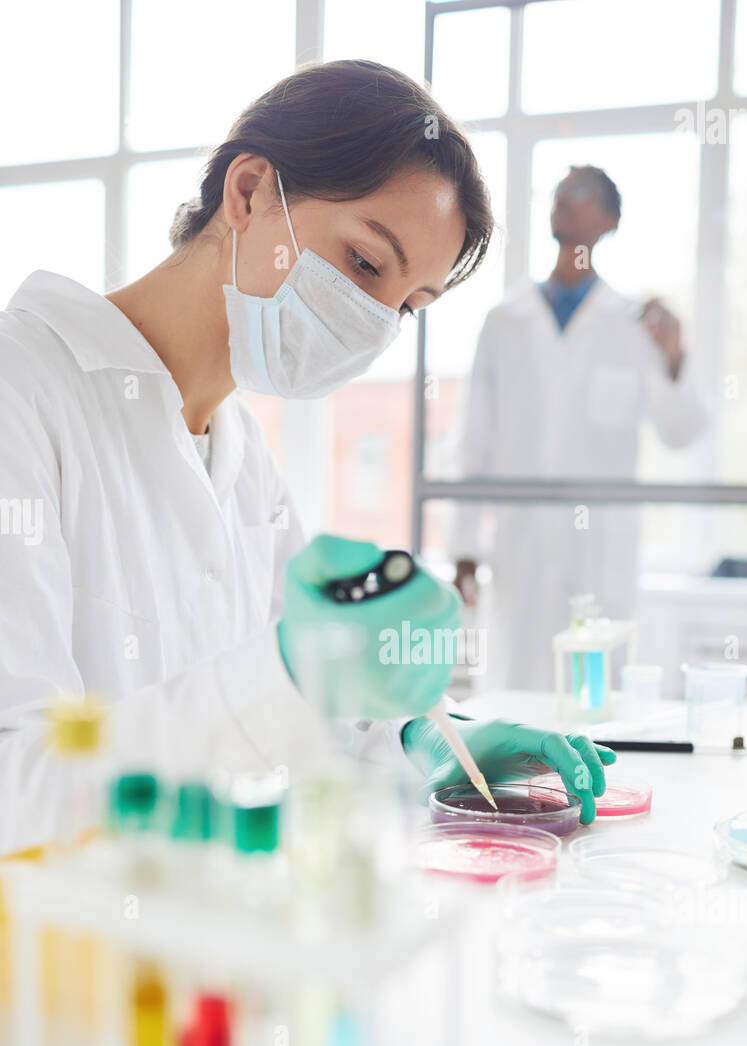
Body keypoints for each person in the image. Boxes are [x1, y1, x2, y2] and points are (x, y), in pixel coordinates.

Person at [0, 62, 613, 854]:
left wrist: (413, 739)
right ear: (250, 191)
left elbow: (305, 720)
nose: (371, 321)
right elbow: (18, 788)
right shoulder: (22, 389)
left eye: (404, 306)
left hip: (210, 932)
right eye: (364, 264)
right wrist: (297, 666)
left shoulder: (239, 450)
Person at [453, 164, 709, 690]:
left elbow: (681, 433)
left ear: (609, 220)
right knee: (516, 682)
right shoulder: (505, 322)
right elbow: (474, 439)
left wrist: (675, 356)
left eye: (583, 191)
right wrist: (463, 548)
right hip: (520, 538)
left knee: (594, 692)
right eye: (560, 188)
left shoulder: (636, 327)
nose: (565, 197)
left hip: (601, 545)